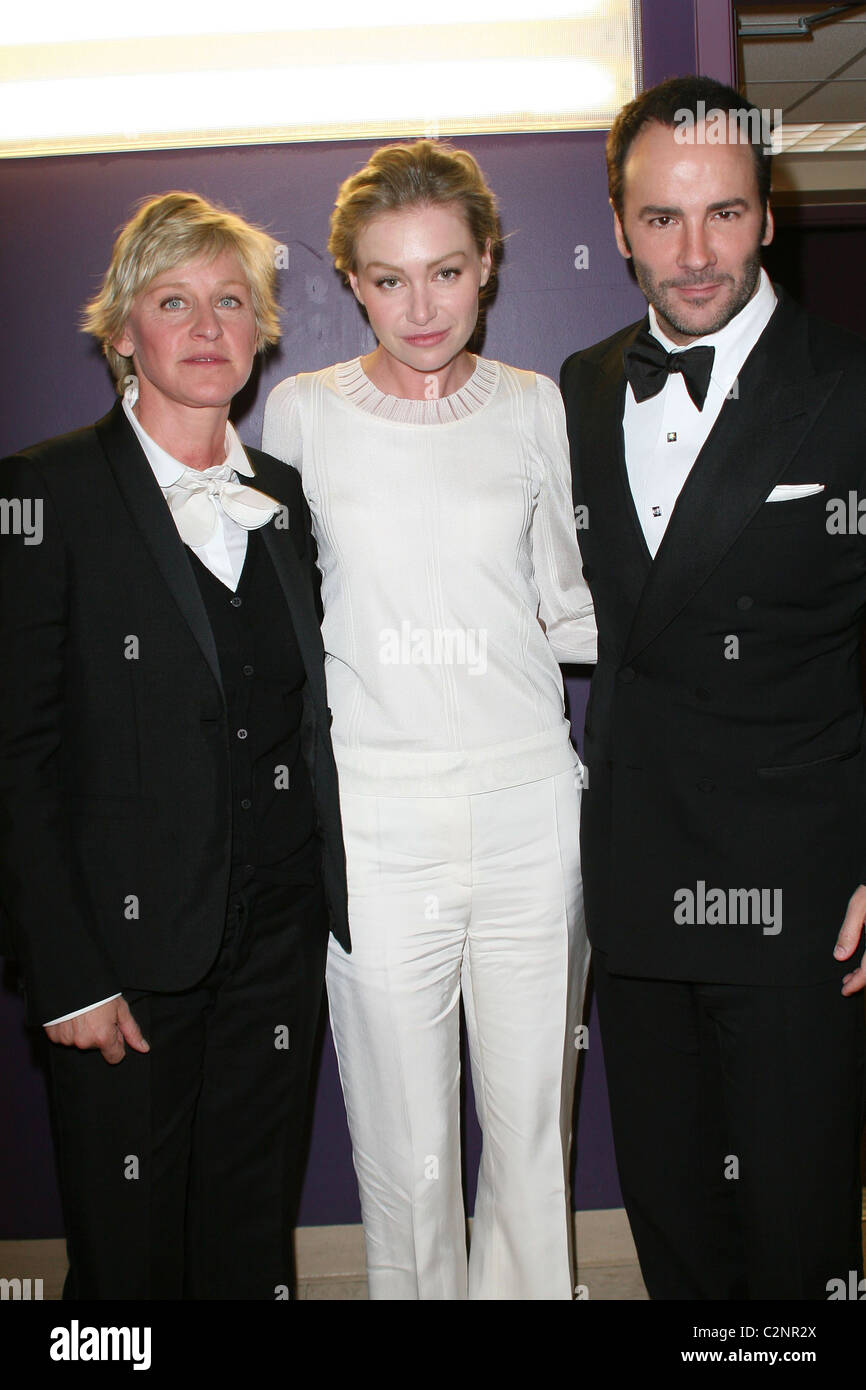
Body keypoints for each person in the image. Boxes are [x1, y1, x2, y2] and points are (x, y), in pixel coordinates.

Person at [263, 139, 596, 1300]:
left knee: (529, 1127)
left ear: (489, 265)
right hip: (373, 822)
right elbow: (282, 630)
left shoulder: (536, 407)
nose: (420, 306)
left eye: (445, 273)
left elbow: (571, 607)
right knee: (404, 1148)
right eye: (389, 278)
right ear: (350, 280)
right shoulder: (297, 414)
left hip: (525, 806)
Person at [0, 191, 349, 1300]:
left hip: (274, 947)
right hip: (122, 963)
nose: (207, 326)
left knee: (248, 1241)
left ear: (260, 334)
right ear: (122, 335)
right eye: (174, 301)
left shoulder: (284, 500)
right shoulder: (44, 491)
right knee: (126, 1258)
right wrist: (66, 975)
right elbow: (15, 753)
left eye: (231, 302)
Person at [560, 75, 866, 1301]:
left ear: (768, 215)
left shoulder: (847, 387)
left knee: (793, 1238)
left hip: (795, 888)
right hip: (634, 884)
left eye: (725, 214)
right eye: (662, 218)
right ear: (620, 222)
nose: (694, 255)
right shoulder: (577, 388)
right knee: (675, 1223)